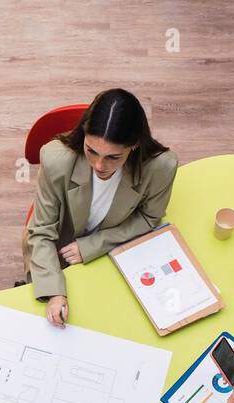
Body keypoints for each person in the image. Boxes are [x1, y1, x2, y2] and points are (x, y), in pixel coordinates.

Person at [25, 88, 177, 326]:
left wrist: (94, 244)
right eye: (91, 151)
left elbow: (149, 218)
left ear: (135, 144)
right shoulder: (56, 159)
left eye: (113, 157)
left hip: (115, 251)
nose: (98, 165)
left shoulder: (161, 167)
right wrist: (55, 293)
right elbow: (42, 231)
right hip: (57, 250)